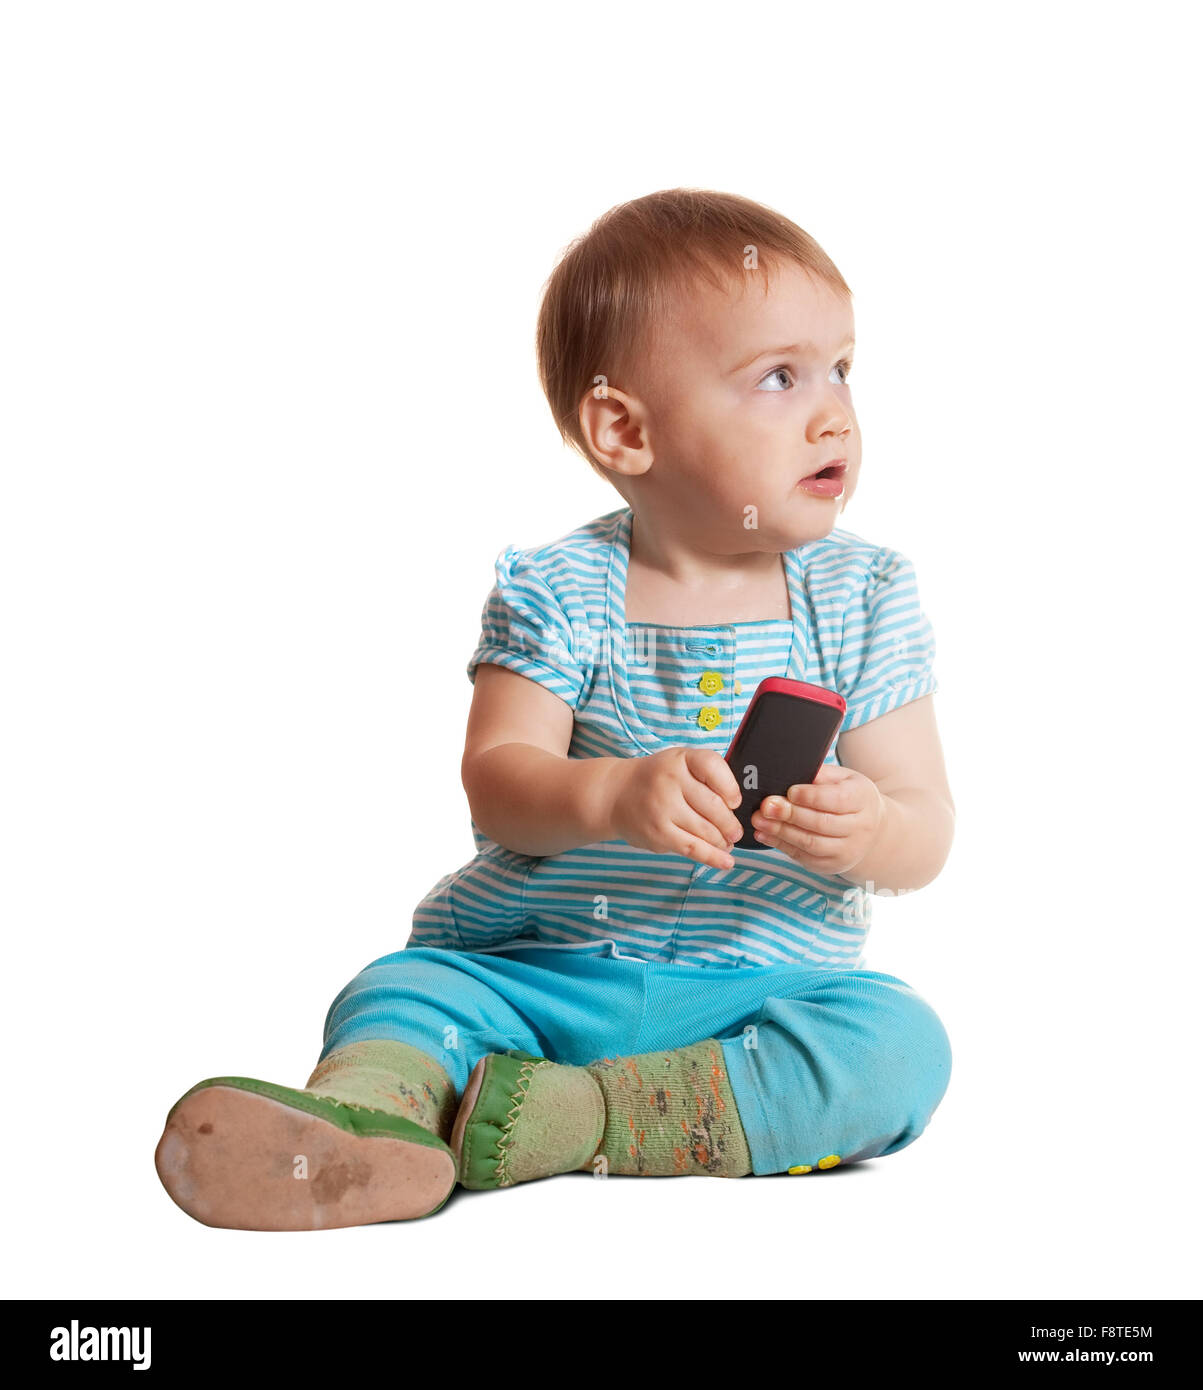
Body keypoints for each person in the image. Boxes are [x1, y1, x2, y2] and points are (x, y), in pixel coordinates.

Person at [155, 187, 955, 1230]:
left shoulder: (865, 595)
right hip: (535, 978)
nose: (833, 409)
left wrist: (870, 829)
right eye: (778, 376)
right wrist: (613, 793)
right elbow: (498, 783)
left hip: (754, 998)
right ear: (624, 427)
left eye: (843, 367)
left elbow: (923, 827)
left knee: (901, 1046)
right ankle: (369, 1120)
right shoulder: (559, 590)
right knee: (406, 992)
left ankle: (594, 1117)